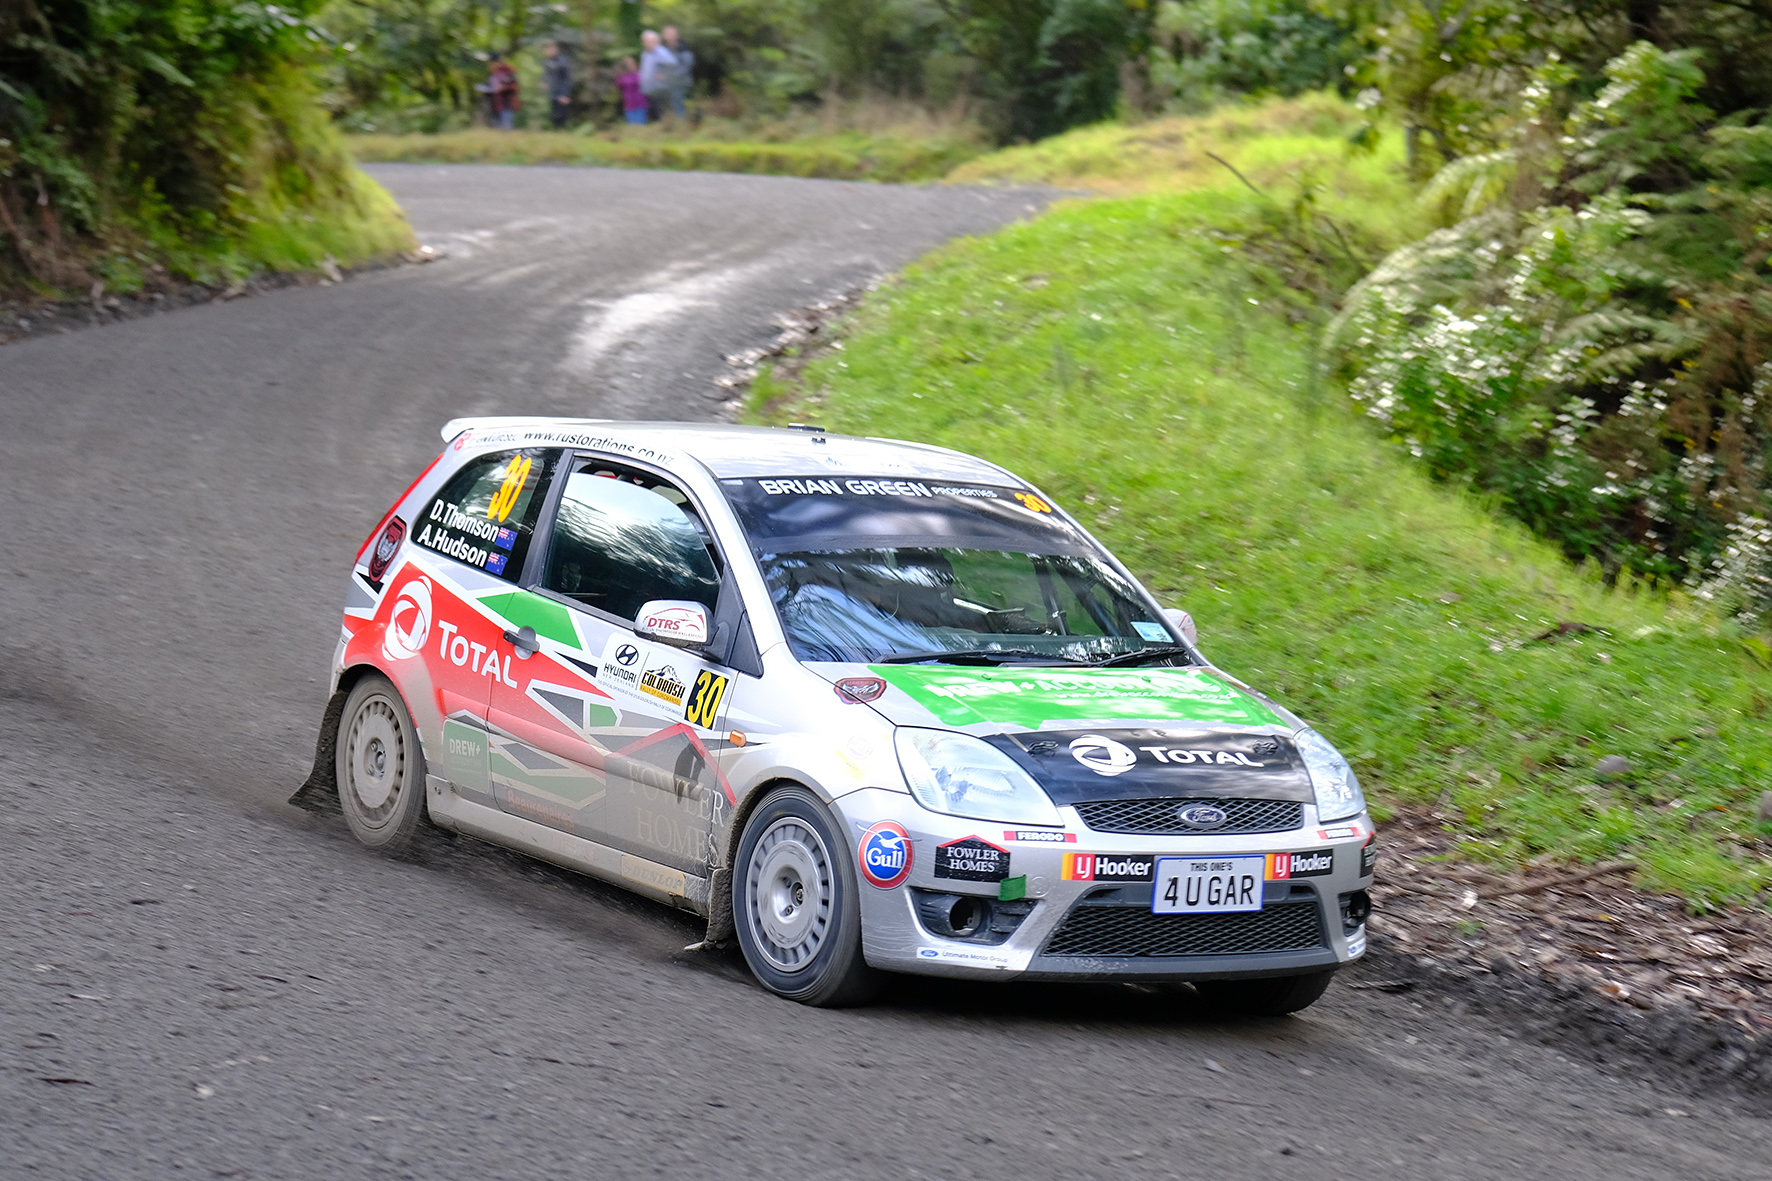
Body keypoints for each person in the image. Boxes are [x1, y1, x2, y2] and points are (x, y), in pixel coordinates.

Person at [638, 30, 679, 123]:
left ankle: (664, 132)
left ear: (655, 41)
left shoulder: (660, 51)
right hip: (648, 89)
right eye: (644, 41)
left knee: (660, 113)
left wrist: (664, 74)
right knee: (652, 114)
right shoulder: (645, 53)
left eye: (647, 41)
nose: (644, 43)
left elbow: (672, 64)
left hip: (659, 88)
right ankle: (655, 133)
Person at [660, 25, 693, 119]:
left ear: (676, 35)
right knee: (672, 102)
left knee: (679, 100)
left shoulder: (684, 47)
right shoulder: (663, 49)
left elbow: (686, 66)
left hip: (681, 81)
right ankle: (677, 122)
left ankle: (682, 121)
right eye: (666, 34)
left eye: (670, 34)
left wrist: (670, 75)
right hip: (669, 82)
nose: (668, 36)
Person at [541, 42, 572, 129]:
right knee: (554, 114)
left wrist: (565, 94)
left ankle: (562, 130)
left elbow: (567, 79)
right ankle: (555, 130)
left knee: (561, 114)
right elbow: (546, 75)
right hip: (552, 92)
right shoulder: (547, 62)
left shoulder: (563, 61)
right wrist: (543, 82)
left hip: (562, 91)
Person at [486, 53, 519, 130]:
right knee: (497, 128)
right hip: (495, 104)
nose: (493, 65)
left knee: (507, 127)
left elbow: (515, 85)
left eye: (495, 63)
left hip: (507, 103)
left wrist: (503, 88)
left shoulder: (508, 70)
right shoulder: (493, 71)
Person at [614, 57, 648, 125]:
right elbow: (619, 86)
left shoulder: (640, 74)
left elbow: (635, 82)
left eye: (631, 64)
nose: (629, 66)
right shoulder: (621, 77)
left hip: (640, 104)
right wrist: (619, 73)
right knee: (632, 127)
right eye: (627, 65)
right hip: (628, 105)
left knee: (640, 126)